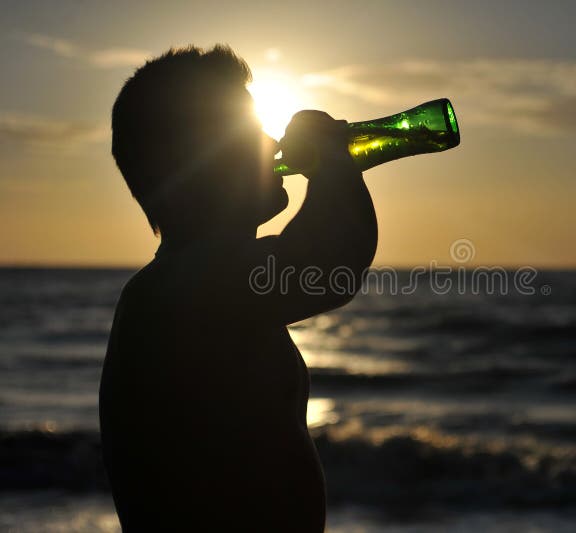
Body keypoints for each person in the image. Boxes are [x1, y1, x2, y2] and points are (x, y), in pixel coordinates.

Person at [99, 44, 377, 532]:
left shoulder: (204, 279)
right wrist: (334, 162)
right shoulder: (183, 286)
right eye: (250, 134)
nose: (272, 144)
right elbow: (330, 260)